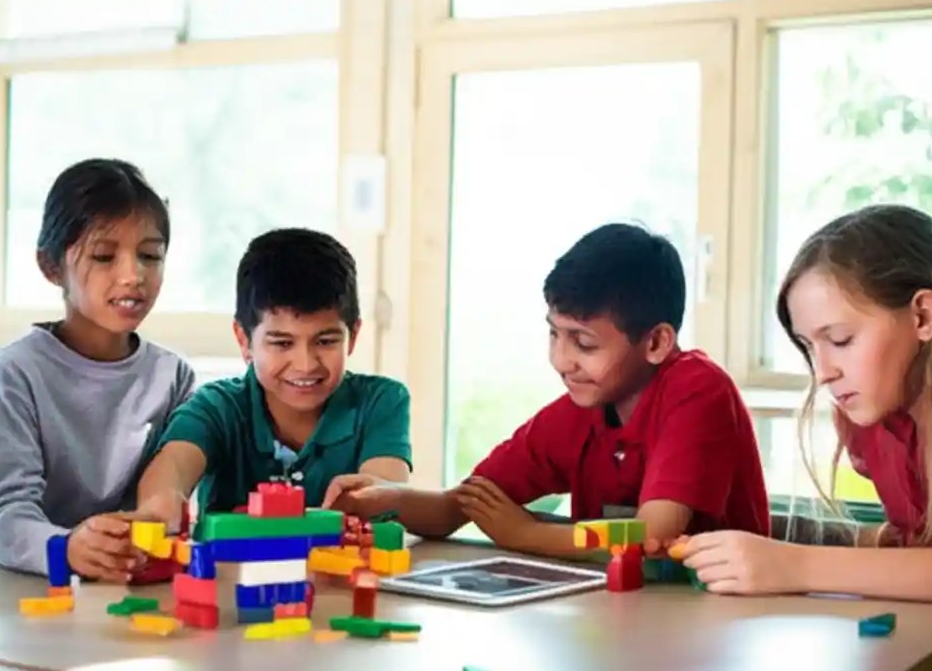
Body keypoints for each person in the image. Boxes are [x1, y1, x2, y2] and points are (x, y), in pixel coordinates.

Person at [680, 204, 932, 671]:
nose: (824, 371)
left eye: (840, 340)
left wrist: (797, 565)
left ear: (923, 316)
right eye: (810, 349)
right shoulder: (870, 425)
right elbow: (920, 550)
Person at [324, 223, 770, 559]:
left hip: (712, 622)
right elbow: (461, 507)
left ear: (655, 342)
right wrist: (390, 498)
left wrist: (526, 533)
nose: (561, 360)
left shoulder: (697, 390)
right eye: (554, 335)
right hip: (619, 623)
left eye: (584, 343)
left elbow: (649, 536)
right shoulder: (582, 407)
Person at [0, 159, 194, 583]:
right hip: (25, 591)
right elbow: (0, 517)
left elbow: (173, 500)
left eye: (150, 255)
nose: (133, 276)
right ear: (51, 266)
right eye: (104, 256)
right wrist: (67, 548)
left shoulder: (173, 376)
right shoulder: (16, 371)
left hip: (127, 593)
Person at [138, 228, 411, 521]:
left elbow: (386, 491)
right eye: (282, 343)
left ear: (353, 336)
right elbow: (174, 465)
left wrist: (375, 495)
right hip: (234, 568)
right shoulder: (217, 407)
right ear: (244, 340)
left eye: (326, 341)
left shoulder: (381, 401)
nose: (305, 364)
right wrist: (161, 500)